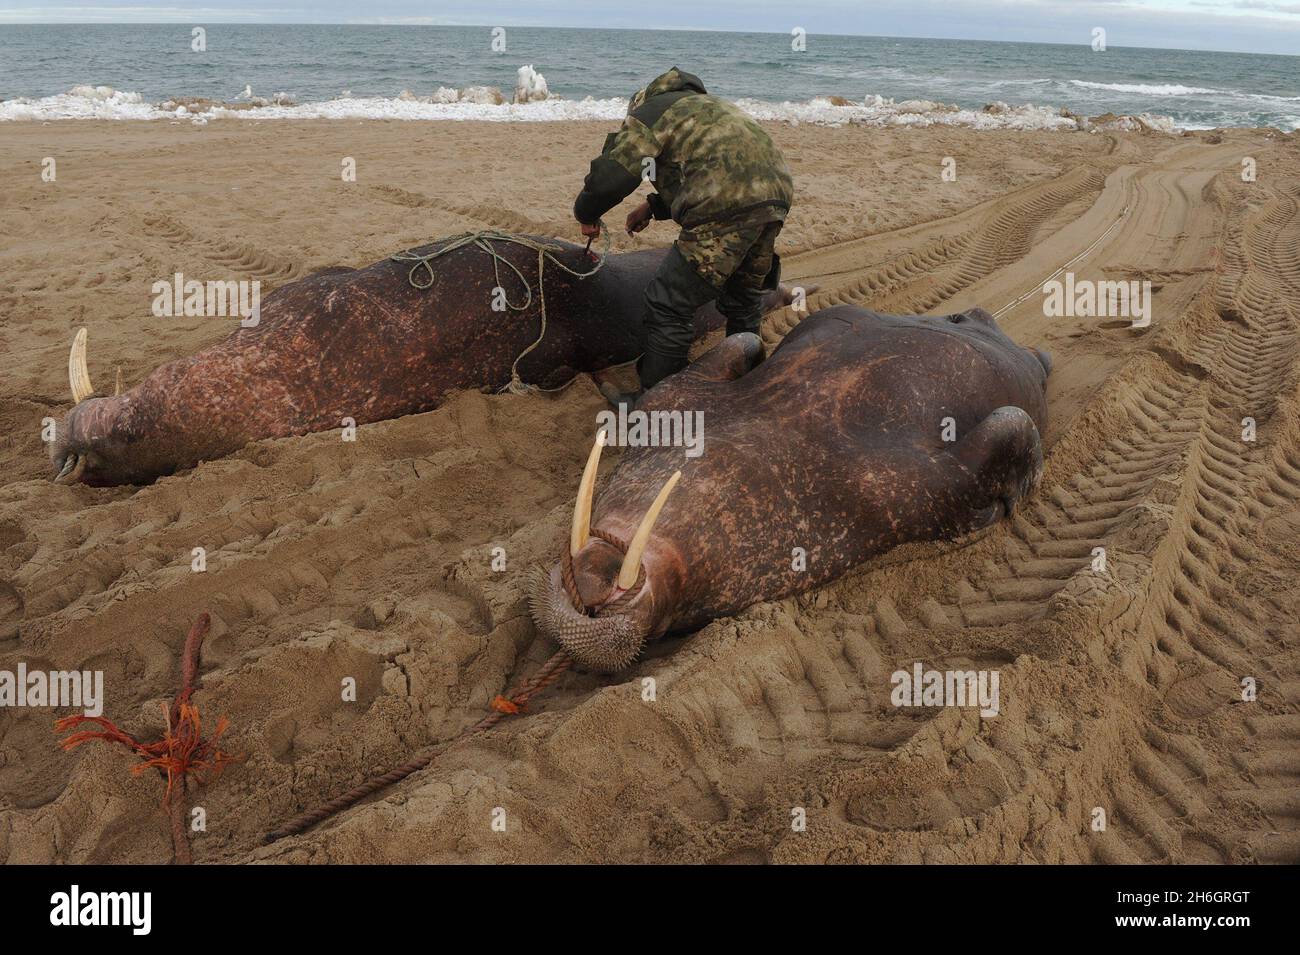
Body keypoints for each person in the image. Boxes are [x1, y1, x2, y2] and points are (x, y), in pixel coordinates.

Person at [573, 67, 794, 406]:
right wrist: (652, 206)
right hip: (775, 197)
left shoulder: (651, 111)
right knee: (743, 299)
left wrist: (587, 213)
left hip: (725, 203)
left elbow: (613, 174)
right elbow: (709, 165)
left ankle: (657, 402)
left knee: (668, 301)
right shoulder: (710, 109)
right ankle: (746, 386)